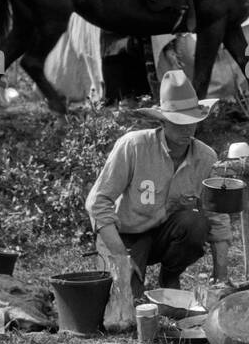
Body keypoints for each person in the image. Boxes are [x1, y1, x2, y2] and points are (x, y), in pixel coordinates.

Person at [86, 69, 233, 297]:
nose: (186, 128)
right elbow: (97, 202)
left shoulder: (206, 158)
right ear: (163, 122)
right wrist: (120, 257)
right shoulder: (134, 146)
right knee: (130, 302)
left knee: (195, 222)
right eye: (178, 122)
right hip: (126, 236)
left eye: (191, 122)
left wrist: (221, 274)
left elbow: (217, 217)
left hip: (167, 234)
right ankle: (130, 279)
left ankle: (170, 276)